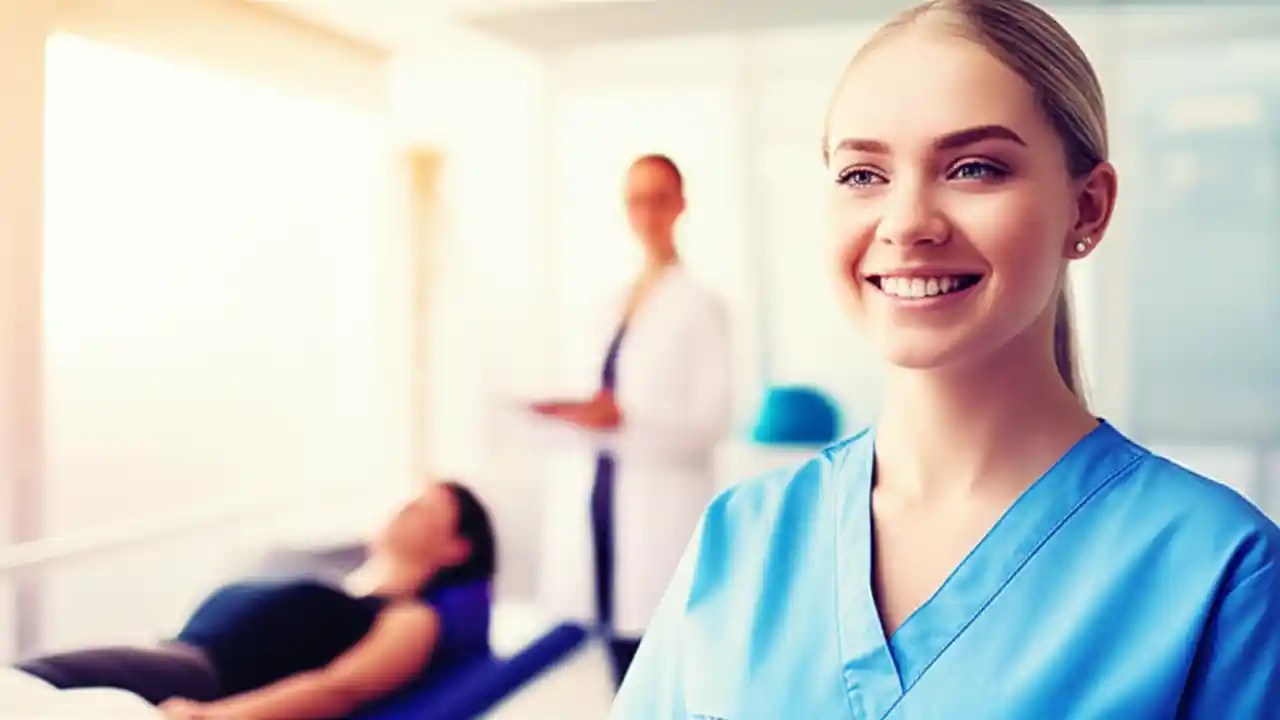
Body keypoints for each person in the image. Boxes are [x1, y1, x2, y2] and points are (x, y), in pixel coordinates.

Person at [612, 1, 1280, 718]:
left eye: (973, 168)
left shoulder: (1220, 574)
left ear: (1087, 208)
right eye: (864, 175)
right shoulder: (742, 540)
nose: (905, 224)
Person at [16, 481, 496, 720]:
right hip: (174, 659)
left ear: (457, 547)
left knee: (24, 684)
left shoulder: (411, 617)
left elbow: (340, 688)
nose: (402, 505)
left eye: (423, 507)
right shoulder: (348, 586)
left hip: (201, 679)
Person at [531, 154, 732, 689]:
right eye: (635, 200)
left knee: (663, 660)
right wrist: (570, 412)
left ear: (681, 205)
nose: (646, 213)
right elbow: (596, 397)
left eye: (658, 198)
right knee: (616, 656)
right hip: (602, 498)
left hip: (659, 506)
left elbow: (712, 421)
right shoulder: (610, 302)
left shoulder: (701, 304)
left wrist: (625, 419)